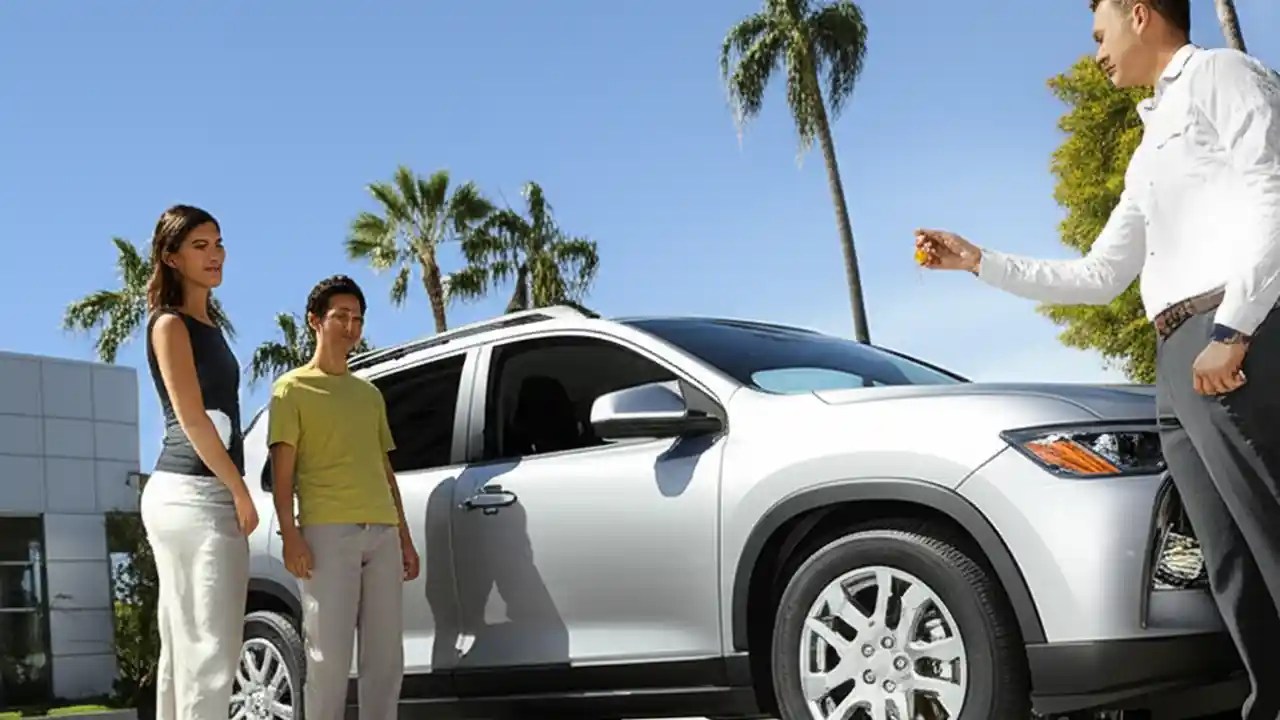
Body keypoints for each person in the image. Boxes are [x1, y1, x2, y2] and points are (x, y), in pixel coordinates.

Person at [916, 1, 1280, 717]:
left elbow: (1277, 193)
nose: (1096, 53)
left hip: (1230, 331)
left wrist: (1234, 328)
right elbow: (1100, 275)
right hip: (1176, 357)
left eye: (1099, 33)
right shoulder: (1150, 149)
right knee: (1230, 560)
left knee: (1270, 528)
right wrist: (978, 262)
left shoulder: (1223, 75)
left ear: (1140, 15)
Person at [267, 274, 420, 720]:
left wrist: (405, 538)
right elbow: (283, 472)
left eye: (358, 318)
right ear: (315, 321)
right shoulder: (291, 389)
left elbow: (384, 472)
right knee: (328, 661)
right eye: (341, 316)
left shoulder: (369, 395)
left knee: (385, 661)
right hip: (327, 535)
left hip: (382, 534)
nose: (352, 326)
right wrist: (290, 535)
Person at [140, 204, 259, 720]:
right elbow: (193, 419)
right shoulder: (169, 325)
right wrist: (240, 490)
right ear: (170, 257)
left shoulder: (208, 322)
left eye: (218, 243)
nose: (215, 255)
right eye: (199, 246)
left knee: (186, 646)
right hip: (191, 497)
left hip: (203, 494)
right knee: (210, 649)